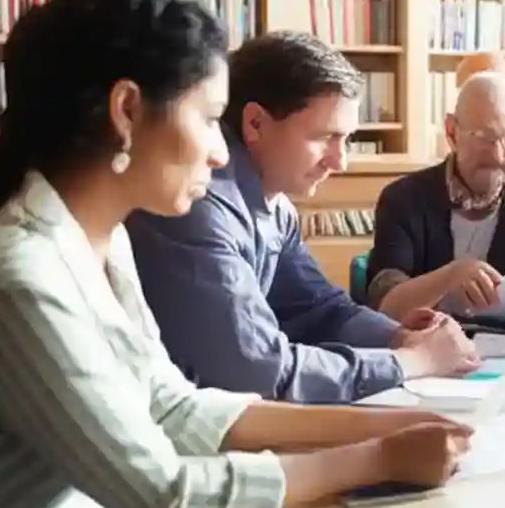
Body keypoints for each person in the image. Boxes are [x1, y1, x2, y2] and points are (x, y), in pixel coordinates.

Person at [0, 0, 471, 508]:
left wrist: (386, 422)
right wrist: (378, 458)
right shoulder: (23, 276)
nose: (221, 154)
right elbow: (162, 493)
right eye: (207, 119)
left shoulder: (105, 239)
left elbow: (172, 407)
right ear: (127, 112)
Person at [126, 31, 479, 404]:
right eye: (325, 137)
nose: (340, 161)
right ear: (256, 124)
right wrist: (410, 361)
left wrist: (396, 337)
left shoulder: (276, 206)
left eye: (346, 140)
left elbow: (317, 308)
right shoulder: (198, 205)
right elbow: (257, 371)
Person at [367, 72, 505, 320]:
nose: (498, 155)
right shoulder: (403, 199)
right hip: (424, 346)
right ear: (451, 132)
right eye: (484, 137)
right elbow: (386, 306)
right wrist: (449, 277)